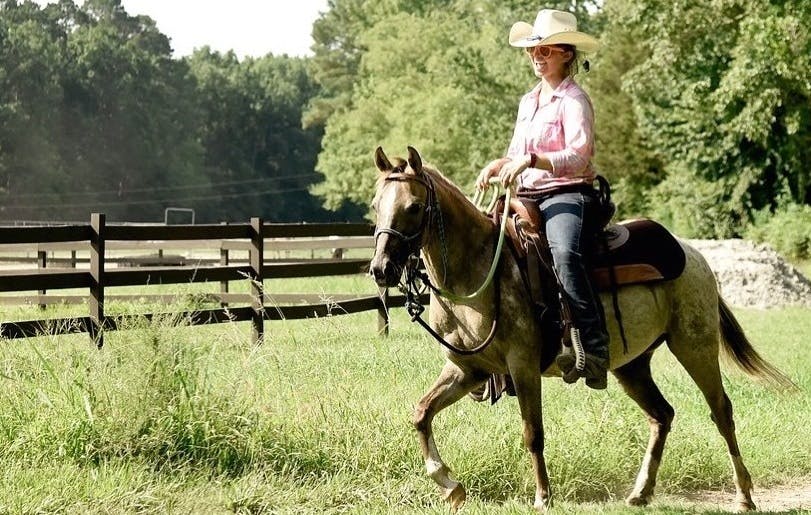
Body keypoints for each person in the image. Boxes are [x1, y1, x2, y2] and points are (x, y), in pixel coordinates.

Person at [475, 8, 609, 389]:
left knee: (565, 254)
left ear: (566, 53)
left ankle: (596, 348)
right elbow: (517, 151)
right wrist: (498, 165)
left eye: (546, 51)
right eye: (534, 50)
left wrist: (533, 160)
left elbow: (579, 156)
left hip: (567, 194)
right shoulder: (528, 101)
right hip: (527, 195)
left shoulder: (574, 100)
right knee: (488, 249)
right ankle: (494, 352)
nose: (537, 56)